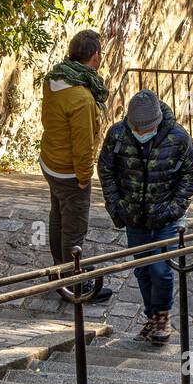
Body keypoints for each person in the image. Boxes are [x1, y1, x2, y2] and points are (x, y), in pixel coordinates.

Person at [97, 90, 193, 346]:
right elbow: (105, 168)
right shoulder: (118, 135)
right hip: (134, 218)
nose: (142, 132)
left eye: (147, 127)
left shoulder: (178, 138)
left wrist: (175, 208)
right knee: (142, 270)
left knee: (161, 270)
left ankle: (162, 318)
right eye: (137, 127)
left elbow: (192, 174)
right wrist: (116, 205)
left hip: (167, 219)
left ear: (157, 121)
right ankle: (153, 317)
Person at [39, 29, 112, 303]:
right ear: (95, 57)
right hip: (69, 171)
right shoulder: (81, 98)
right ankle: (74, 283)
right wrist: (84, 177)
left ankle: (59, 270)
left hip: (50, 162)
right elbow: (83, 143)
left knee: (58, 216)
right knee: (74, 228)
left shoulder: (55, 77)